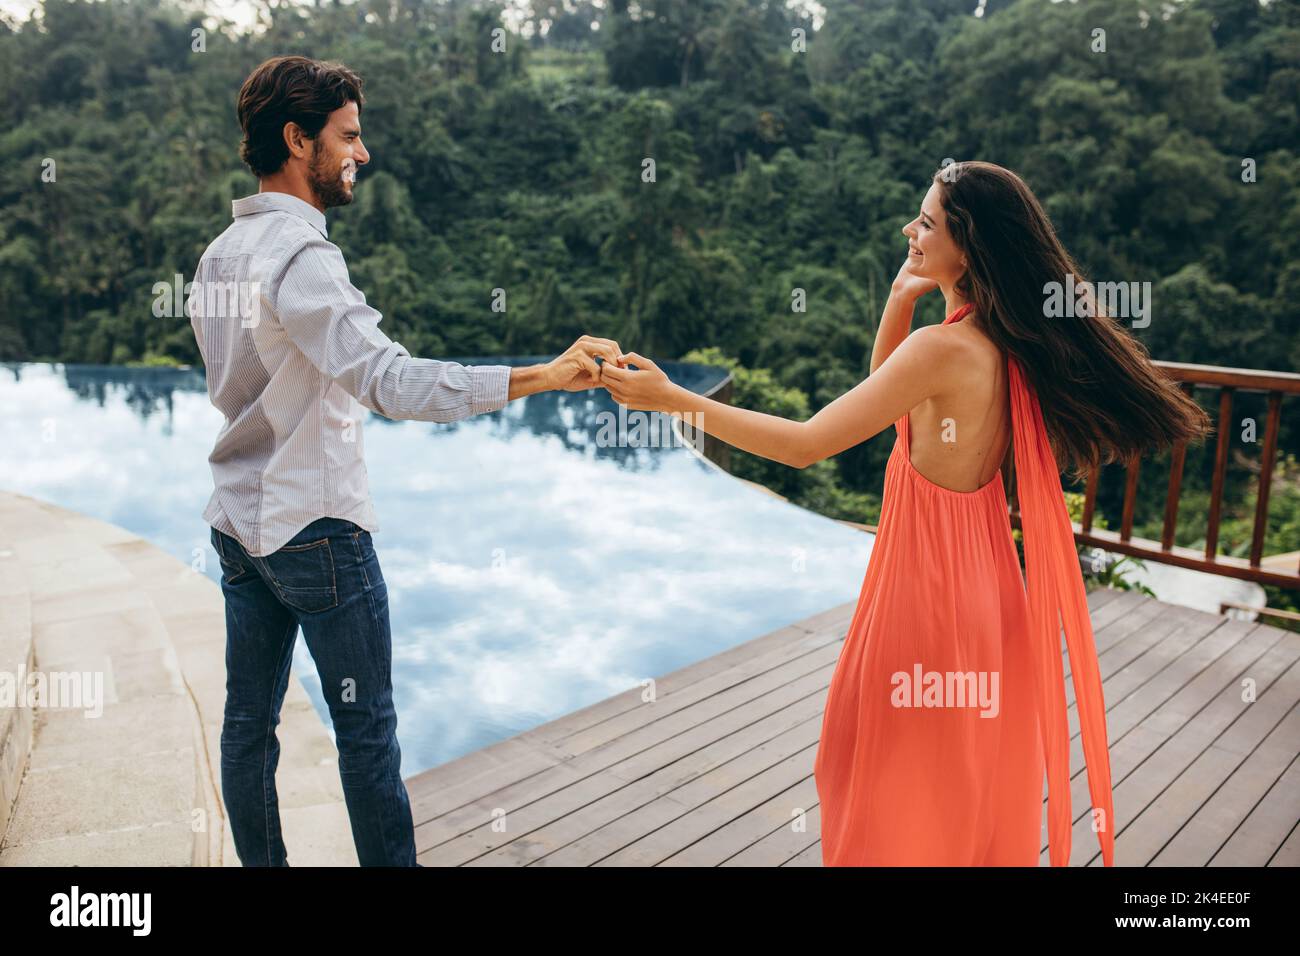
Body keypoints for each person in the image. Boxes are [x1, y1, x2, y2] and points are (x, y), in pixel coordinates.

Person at [600, 160, 1212, 866]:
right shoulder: (1008, 343)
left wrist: (676, 399)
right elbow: (893, 398)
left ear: (970, 246)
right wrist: (900, 294)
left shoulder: (944, 349)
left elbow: (807, 446)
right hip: (988, 602)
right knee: (948, 800)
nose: (908, 230)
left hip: (924, 607)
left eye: (925, 223)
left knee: (879, 793)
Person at [189, 55, 620, 867]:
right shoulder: (301, 258)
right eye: (348, 135)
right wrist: (544, 374)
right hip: (316, 530)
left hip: (240, 529)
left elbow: (239, 387)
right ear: (296, 137)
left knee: (248, 726)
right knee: (366, 731)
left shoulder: (219, 254)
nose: (364, 153)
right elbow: (391, 380)